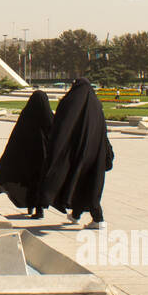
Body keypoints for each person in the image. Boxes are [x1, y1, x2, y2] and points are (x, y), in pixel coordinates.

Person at [43, 78, 114, 228]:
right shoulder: (96, 105)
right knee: (90, 184)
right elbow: (102, 130)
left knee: (75, 180)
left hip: (74, 152)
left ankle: (98, 219)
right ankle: (77, 215)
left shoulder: (69, 103)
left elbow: (61, 128)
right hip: (95, 152)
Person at [0, 89, 55, 219]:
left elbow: (15, 138)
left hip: (27, 158)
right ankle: (39, 209)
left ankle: (30, 206)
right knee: (39, 182)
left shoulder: (26, 116)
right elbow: (54, 133)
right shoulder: (48, 117)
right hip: (42, 158)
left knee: (29, 182)